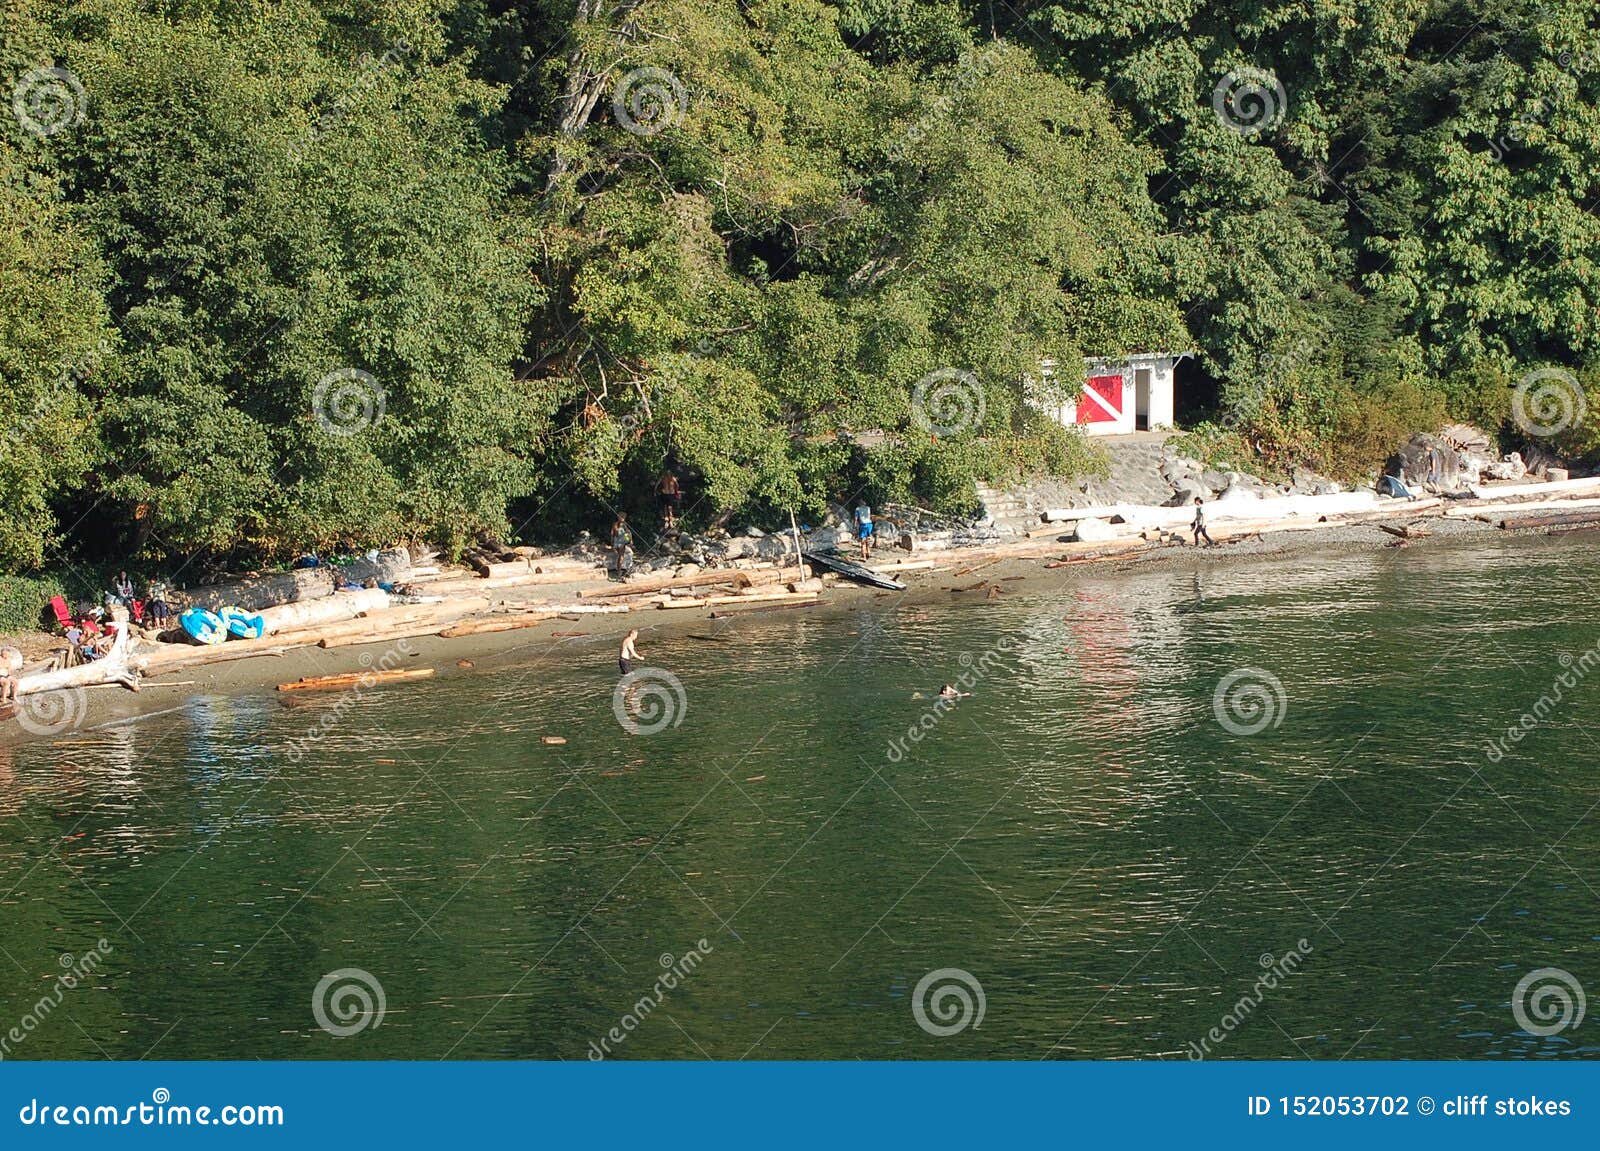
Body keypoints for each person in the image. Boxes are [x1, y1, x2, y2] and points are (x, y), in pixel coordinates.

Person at [611, 513, 634, 581]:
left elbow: (612, 534)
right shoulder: (619, 524)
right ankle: (619, 573)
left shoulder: (619, 524)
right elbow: (615, 533)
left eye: (624, 517)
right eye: (622, 517)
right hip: (619, 542)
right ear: (619, 517)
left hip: (619, 542)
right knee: (621, 557)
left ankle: (619, 571)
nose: (623, 518)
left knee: (620, 556)